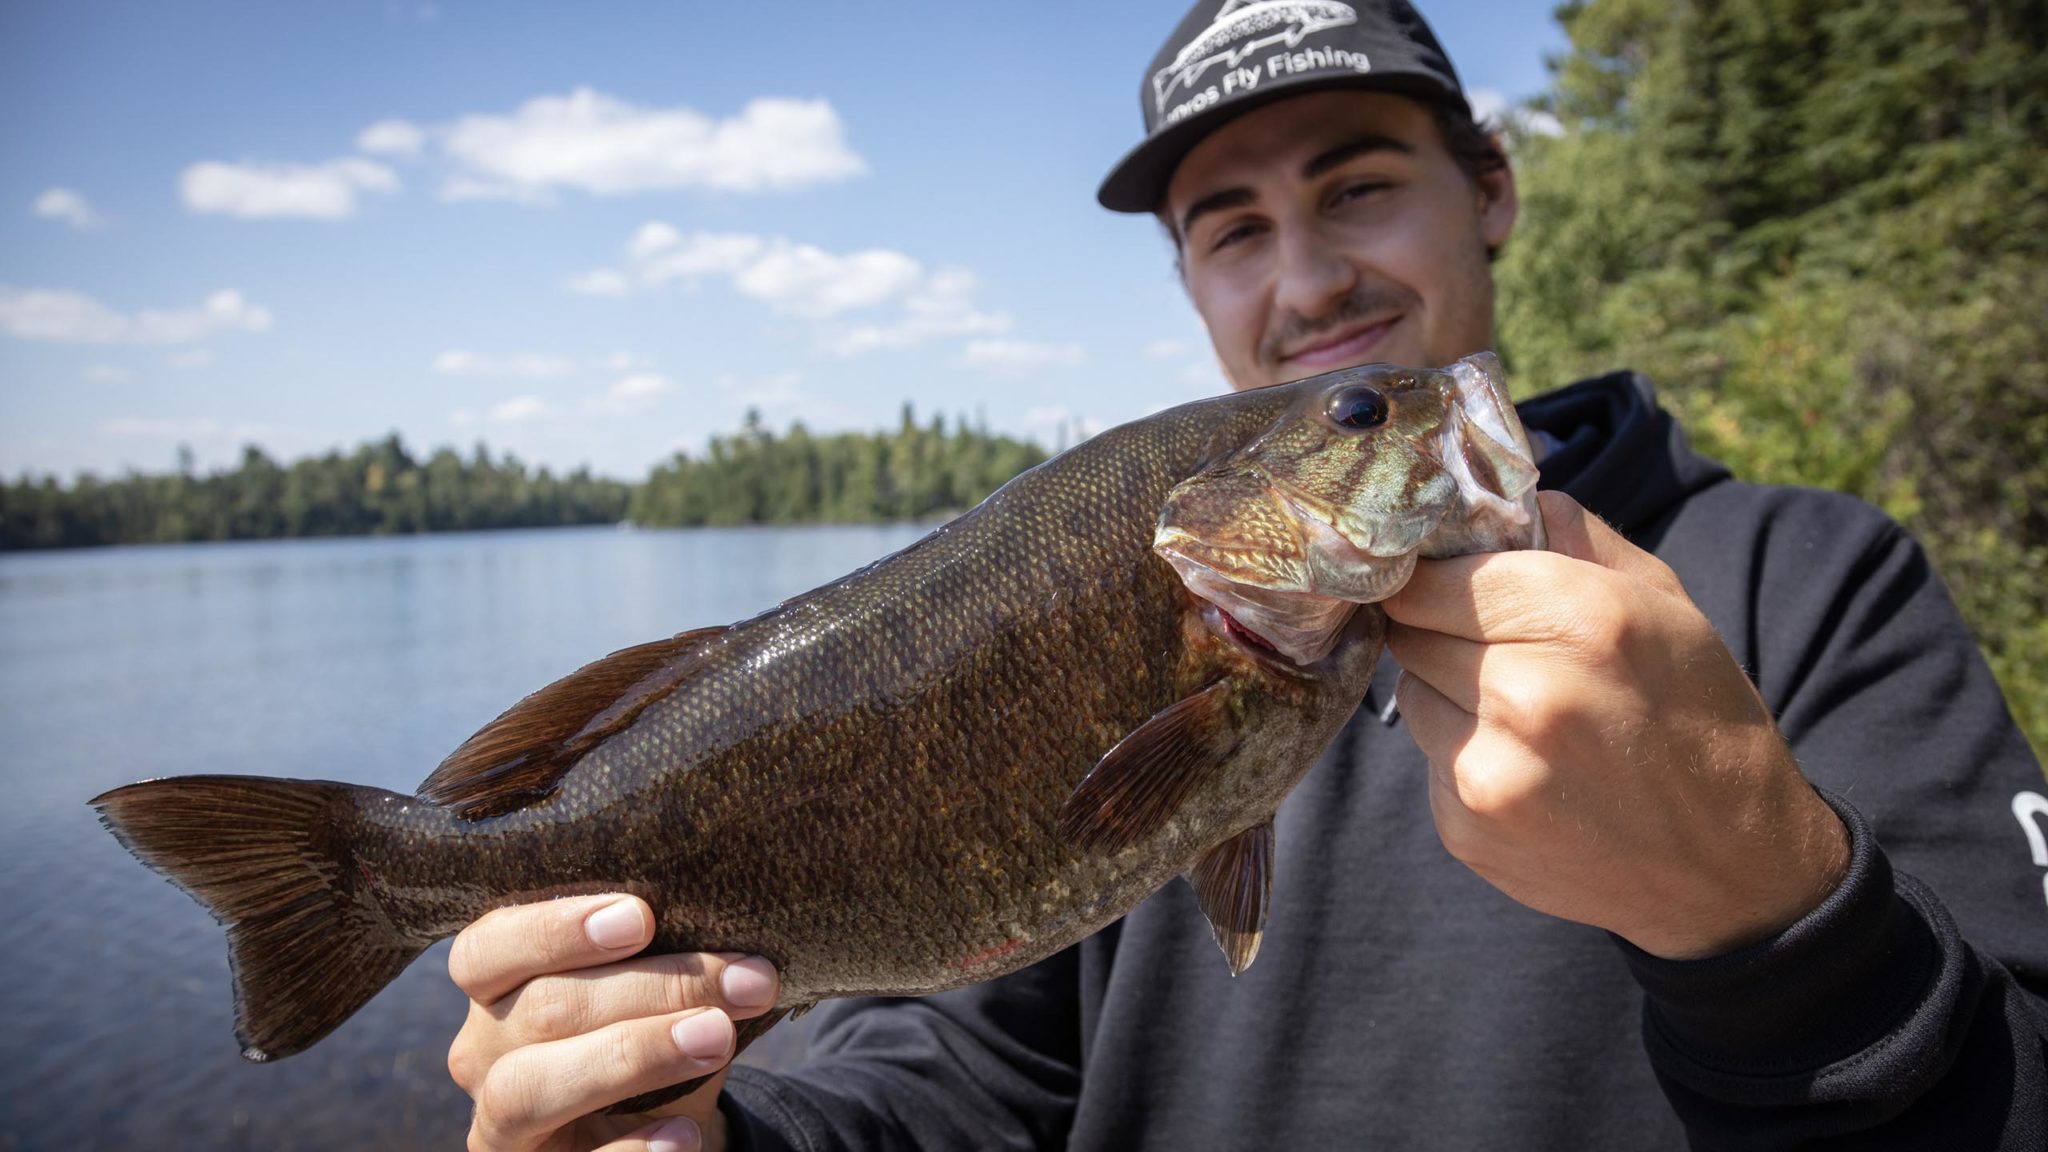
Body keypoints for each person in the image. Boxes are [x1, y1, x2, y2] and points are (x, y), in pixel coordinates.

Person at [442, 3, 2048, 1149]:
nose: (1310, 279)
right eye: (1232, 230)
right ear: (1188, 281)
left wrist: (1770, 909)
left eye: (1359, 187)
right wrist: (705, 1126)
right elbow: (950, 1079)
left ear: (1491, 188)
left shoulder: (1821, 583)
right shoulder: (1150, 616)